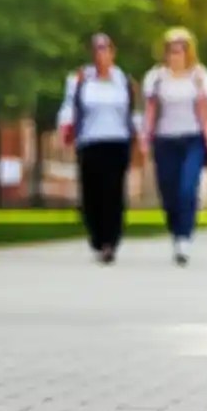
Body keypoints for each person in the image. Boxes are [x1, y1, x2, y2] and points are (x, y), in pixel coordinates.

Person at [141, 27, 207, 266]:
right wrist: (144, 137)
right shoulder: (156, 77)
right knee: (168, 192)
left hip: (193, 138)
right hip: (165, 139)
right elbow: (150, 111)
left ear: (189, 52)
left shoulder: (200, 76)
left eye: (180, 50)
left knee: (187, 189)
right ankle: (175, 229)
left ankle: (184, 238)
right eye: (171, 51)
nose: (175, 55)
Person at [57, 33, 143, 265]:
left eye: (105, 48)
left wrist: (140, 137)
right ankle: (96, 236)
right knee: (91, 193)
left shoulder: (123, 80)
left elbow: (134, 112)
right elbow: (68, 106)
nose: (101, 54)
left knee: (113, 192)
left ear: (112, 53)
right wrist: (65, 129)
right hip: (90, 141)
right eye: (96, 49)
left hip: (117, 141)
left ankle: (110, 241)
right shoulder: (79, 79)